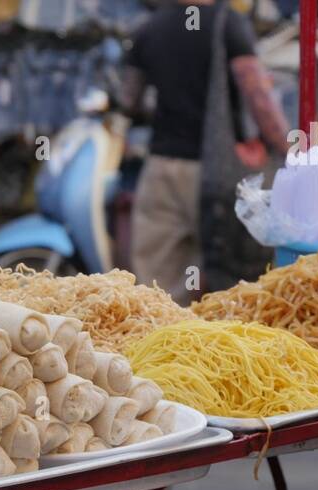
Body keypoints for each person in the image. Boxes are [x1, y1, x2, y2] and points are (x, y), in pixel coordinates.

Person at [121, 0, 290, 305]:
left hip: (161, 166)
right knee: (230, 283)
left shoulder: (148, 28)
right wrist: (291, 149)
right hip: (218, 172)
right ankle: (221, 348)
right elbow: (260, 101)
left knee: (157, 287)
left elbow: (129, 99)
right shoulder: (228, 23)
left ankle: (163, 347)